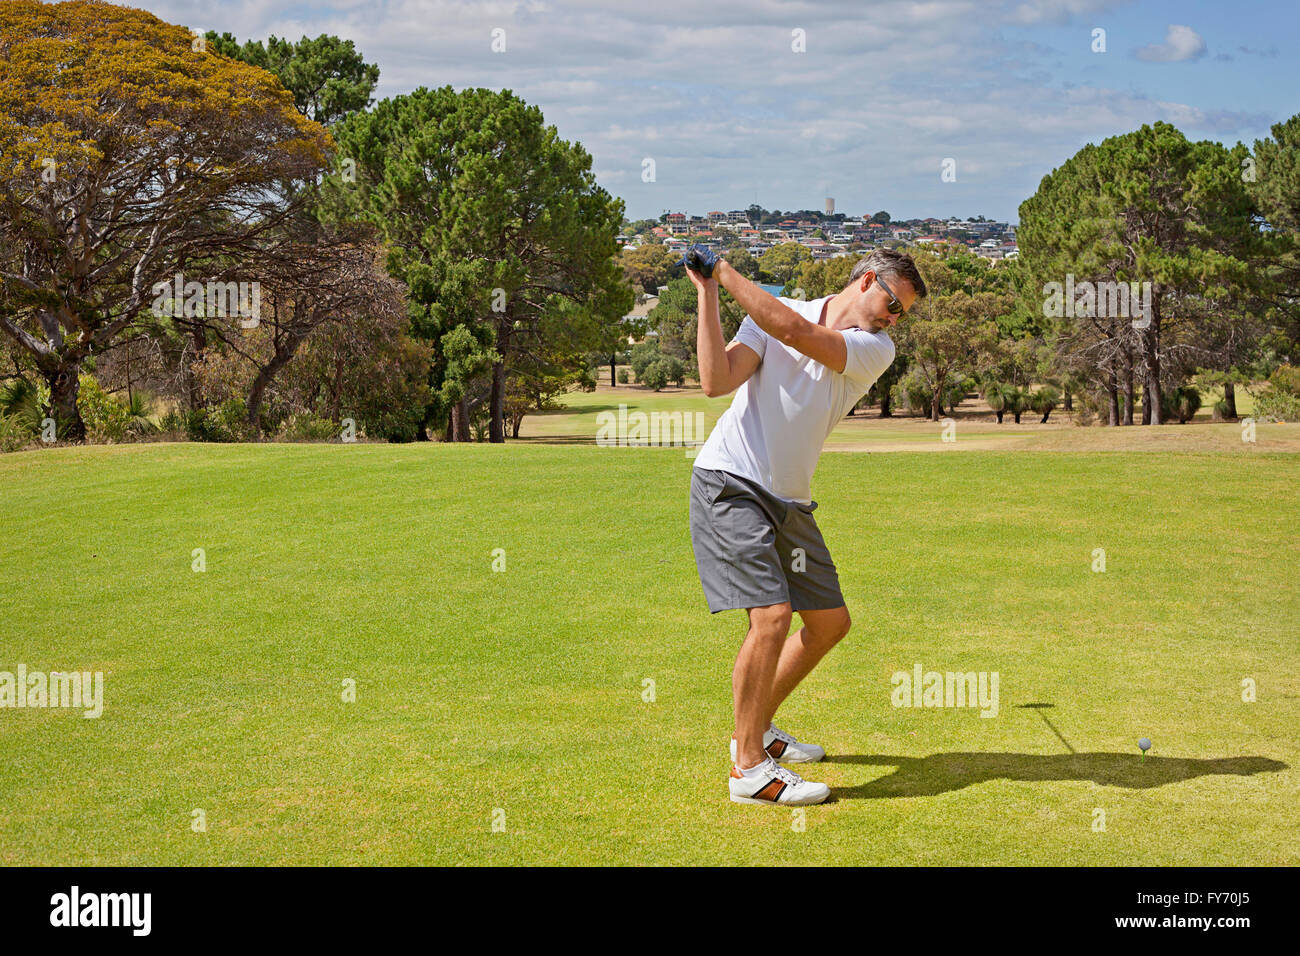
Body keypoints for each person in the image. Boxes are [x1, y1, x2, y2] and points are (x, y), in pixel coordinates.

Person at [683, 246, 927, 805]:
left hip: (789, 499)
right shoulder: (772, 312)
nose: (895, 319)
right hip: (732, 481)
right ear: (867, 281)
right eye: (893, 304)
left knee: (829, 623)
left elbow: (793, 331)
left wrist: (725, 270)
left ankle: (759, 728)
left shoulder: (873, 348)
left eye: (902, 314)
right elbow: (715, 381)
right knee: (771, 618)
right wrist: (707, 293)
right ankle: (748, 769)